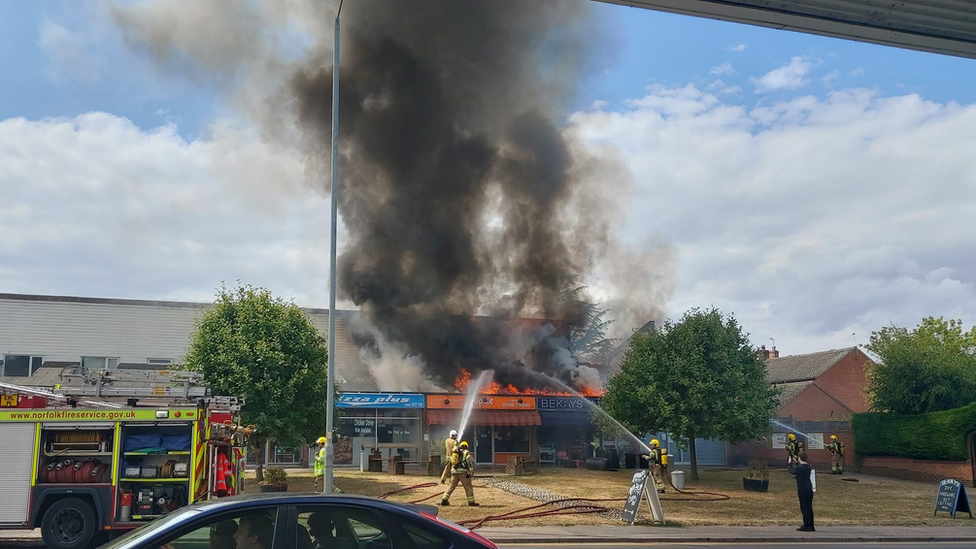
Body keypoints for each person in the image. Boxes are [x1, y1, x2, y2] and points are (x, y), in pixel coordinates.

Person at [441, 440, 479, 506]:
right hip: (463, 472)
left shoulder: (455, 453)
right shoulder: (466, 452)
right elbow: (469, 461)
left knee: (451, 486)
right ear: (466, 447)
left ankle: (444, 500)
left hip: (454, 472)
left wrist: (443, 477)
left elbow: (448, 466)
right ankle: (471, 502)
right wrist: (471, 470)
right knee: (468, 486)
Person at [788, 451, 815, 532]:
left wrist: (789, 464)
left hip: (802, 489)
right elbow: (801, 468)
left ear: (799, 458)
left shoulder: (799, 468)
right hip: (809, 489)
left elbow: (791, 471)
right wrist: (797, 463)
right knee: (809, 507)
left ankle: (806, 525)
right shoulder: (808, 467)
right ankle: (811, 525)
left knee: (804, 507)